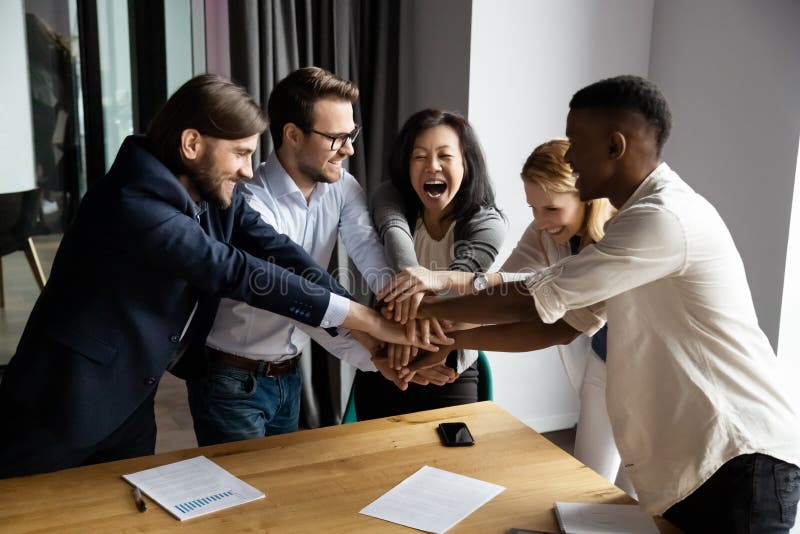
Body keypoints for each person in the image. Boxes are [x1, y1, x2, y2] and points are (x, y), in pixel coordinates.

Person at [384, 75, 800, 531]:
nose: (568, 157)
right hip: (698, 469)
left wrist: (421, 314)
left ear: (615, 146)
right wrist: (451, 341)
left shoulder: (663, 219)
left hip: (739, 461)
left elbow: (530, 297)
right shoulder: (632, 222)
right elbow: (560, 325)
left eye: (576, 142)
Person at [0, 74, 435, 478]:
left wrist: (362, 326)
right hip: (60, 399)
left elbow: (282, 253)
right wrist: (369, 322)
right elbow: (237, 271)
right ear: (192, 143)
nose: (248, 170)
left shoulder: (206, 190)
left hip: (131, 397)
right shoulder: (134, 201)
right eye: (242, 153)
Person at [186, 67, 451, 445]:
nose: (349, 148)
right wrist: (376, 347)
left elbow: (370, 253)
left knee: (281, 492)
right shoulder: (251, 202)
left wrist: (408, 314)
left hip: (289, 375)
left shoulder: (342, 185)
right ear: (293, 135)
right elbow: (293, 299)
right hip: (232, 380)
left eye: (352, 134)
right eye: (337, 138)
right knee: (242, 498)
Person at [379, 139, 630, 490]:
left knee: (642, 492)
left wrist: (441, 287)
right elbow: (499, 296)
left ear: (585, 194)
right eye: (533, 208)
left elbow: (529, 294)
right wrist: (439, 338)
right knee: (592, 484)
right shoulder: (545, 232)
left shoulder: (618, 239)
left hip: (649, 371)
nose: (540, 222)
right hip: (603, 363)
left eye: (551, 210)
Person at [352, 109, 505, 419]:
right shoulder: (389, 197)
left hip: (448, 365)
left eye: (444, 156)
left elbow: (458, 294)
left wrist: (406, 329)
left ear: (466, 162)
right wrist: (404, 332)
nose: (432, 166)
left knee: (450, 461)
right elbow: (402, 260)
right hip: (389, 359)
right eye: (419, 157)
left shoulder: (487, 223)